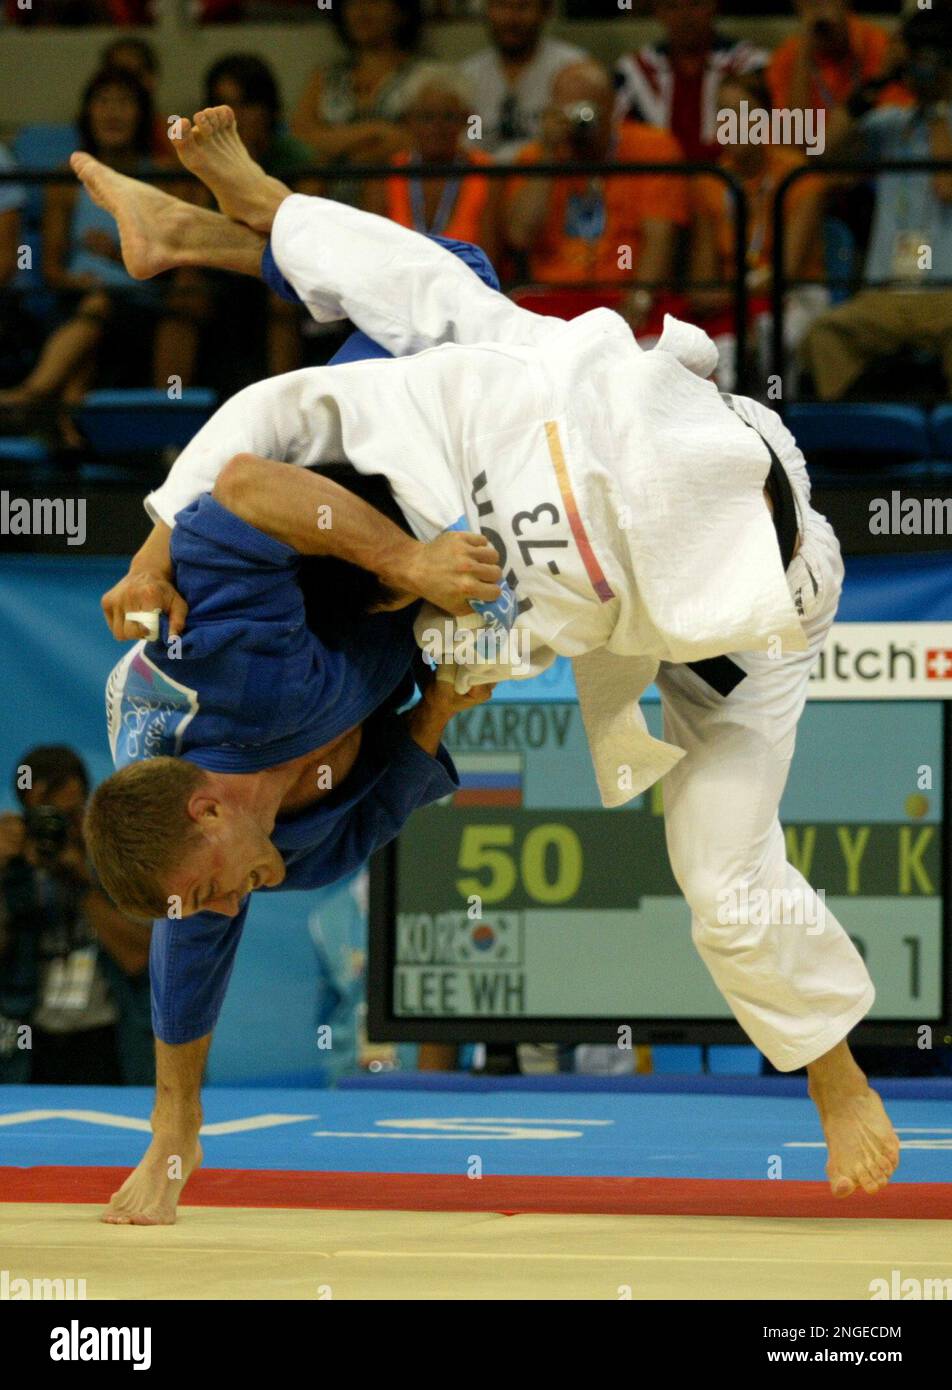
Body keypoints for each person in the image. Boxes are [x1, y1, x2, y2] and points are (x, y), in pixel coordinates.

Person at [72, 107, 900, 1213]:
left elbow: (262, 445)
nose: (230, 904)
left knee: (458, 299)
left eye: (214, 891)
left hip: (666, 520)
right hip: (608, 616)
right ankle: (218, 233)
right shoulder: (294, 845)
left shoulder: (218, 653)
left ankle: (243, 221)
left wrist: (161, 537)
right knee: (715, 873)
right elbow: (216, 919)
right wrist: (174, 1135)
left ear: (209, 815)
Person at [0, 68, 188, 443]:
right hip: (78, 300)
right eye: (102, 102)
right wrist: (77, 281)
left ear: (142, 114)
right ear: (87, 113)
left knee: (101, 304)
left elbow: (178, 266)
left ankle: (32, 395)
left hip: (143, 304)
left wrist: (119, 258)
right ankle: (70, 431)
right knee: (94, 307)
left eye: (124, 102)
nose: (112, 113)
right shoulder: (66, 179)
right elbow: (52, 269)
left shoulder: (166, 178)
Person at [800, 6, 952, 401]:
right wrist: (877, 84)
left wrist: (938, 107)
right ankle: (869, 437)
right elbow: (821, 152)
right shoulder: (890, 122)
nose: (923, 67)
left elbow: (946, 186)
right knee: (825, 335)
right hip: (885, 292)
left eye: (932, 55)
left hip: (946, 293)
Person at [0, 746, 153, 1086]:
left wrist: (82, 883)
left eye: (67, 816)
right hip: (26, 1041)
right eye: (42, 817)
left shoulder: (115, 862)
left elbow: (139, 956)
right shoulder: (13, 868)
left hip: (109, 1042)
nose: (54, 832)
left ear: (86, 806)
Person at [504, 60, 689, 333]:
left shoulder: (652, 148)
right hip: (554, 298)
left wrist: (640, 298)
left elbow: (659, 235)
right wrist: (547, 153)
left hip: (625, 295)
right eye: (567, 111)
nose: (579, 124)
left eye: (586, 111)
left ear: (613, 106)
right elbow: (520, 235)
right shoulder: (536, 157)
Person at [688, 69, 828, 392]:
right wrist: (728, 300)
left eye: (741, 115)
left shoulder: (798, 175)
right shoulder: (711, 182)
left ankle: (775, 425)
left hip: (796, 296)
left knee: (771, 336)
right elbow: (702, 284)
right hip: (732, 302)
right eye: (723, 115)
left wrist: (734, 296)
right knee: (710, 351)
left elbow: (786, 272)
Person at [363, 64, 498, 261]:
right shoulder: (385, 174)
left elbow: (490, 258)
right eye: (426, 117)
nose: (437, 127)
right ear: (409, 121)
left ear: (465, 120)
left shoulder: (487, 172)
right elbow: (372, 254)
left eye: (448, 117)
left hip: (466, 285)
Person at [614, 0, 767, 165]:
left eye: (695, 4)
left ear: (714, 5)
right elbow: (618, 140)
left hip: (730, 178)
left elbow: (770, 136)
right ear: (657, 12)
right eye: (672, 6)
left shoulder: (750, 64)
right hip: (658, 181)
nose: (685, 17)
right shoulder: (632, 72)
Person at [291, 0, 424, 169]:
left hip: (399, 188)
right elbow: (300, 138)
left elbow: (420, 143)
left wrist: (336, 145)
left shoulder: (427, 76)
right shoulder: (326, 77)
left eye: (374, 2)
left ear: (401, 12)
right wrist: (374, 132)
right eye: (352, 2)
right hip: (328, 189)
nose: (361, 11)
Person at [458, 0, 587, 160]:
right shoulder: (467, 75)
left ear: (546, 11)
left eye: (522, 7)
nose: (510, 19)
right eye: (501, 6)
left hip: (548, 176)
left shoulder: (574, 69)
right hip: (481, 179)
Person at [767, 0, 912, 142]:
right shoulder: (786, 58)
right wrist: (805, 46)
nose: (819, 4)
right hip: (813, 161)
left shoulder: (879, 44)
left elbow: (899, 123)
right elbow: (793, 141)